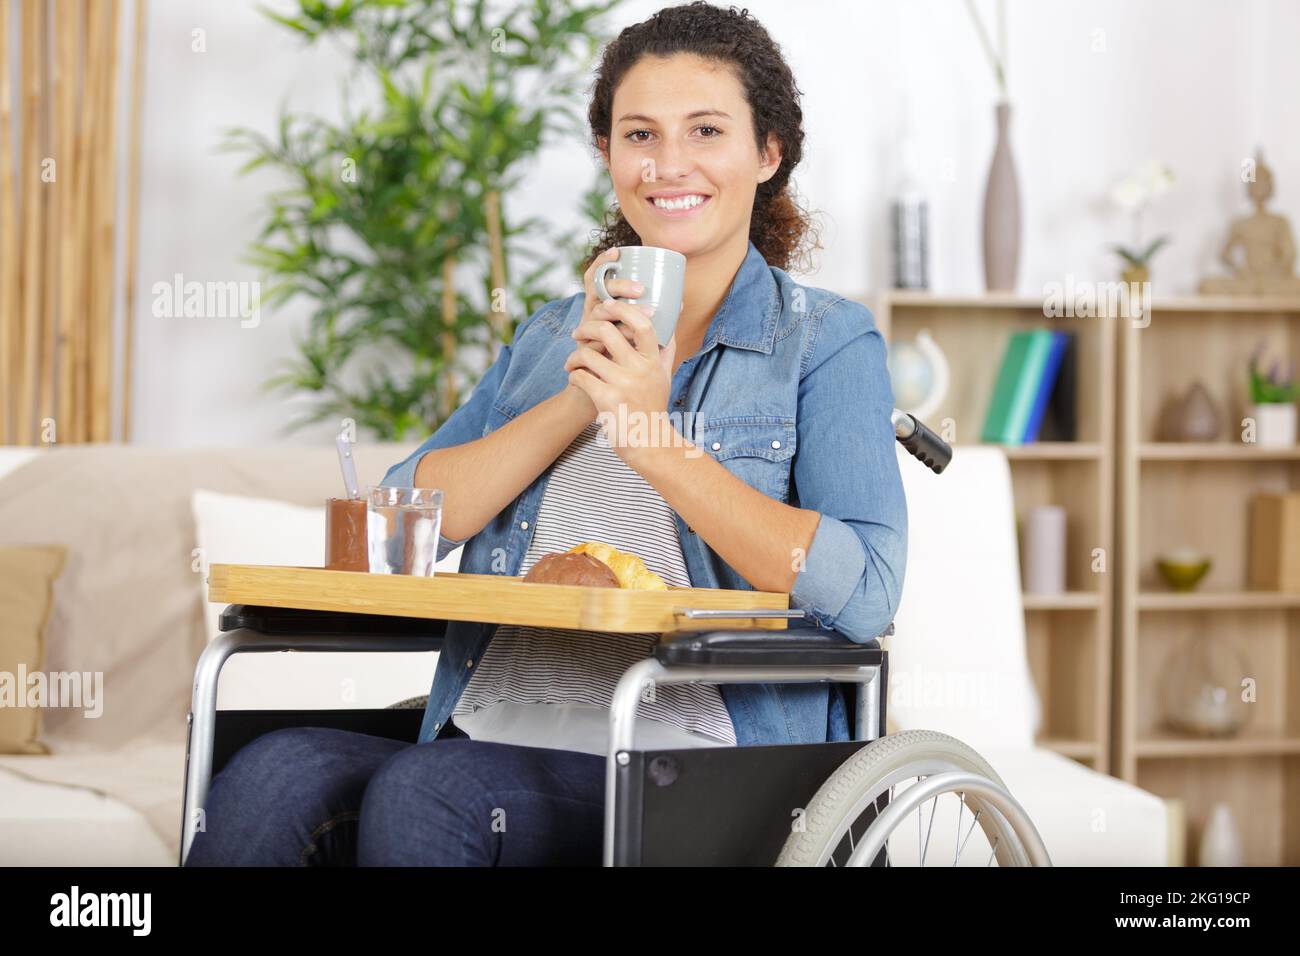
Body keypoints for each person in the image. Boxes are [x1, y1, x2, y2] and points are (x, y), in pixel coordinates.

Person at [185, 0, 906, 867]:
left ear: (768, 152)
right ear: (608, 155)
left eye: (706, 130)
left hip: (696, 758)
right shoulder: (549, 335)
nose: (668, 164)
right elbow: (402, 521)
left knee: (432, 795)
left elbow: (866, 592)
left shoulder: (824, 343)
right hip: (485, 725)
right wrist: (579, 395)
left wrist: (647, 434)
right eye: (639, 136)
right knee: (273, 774)